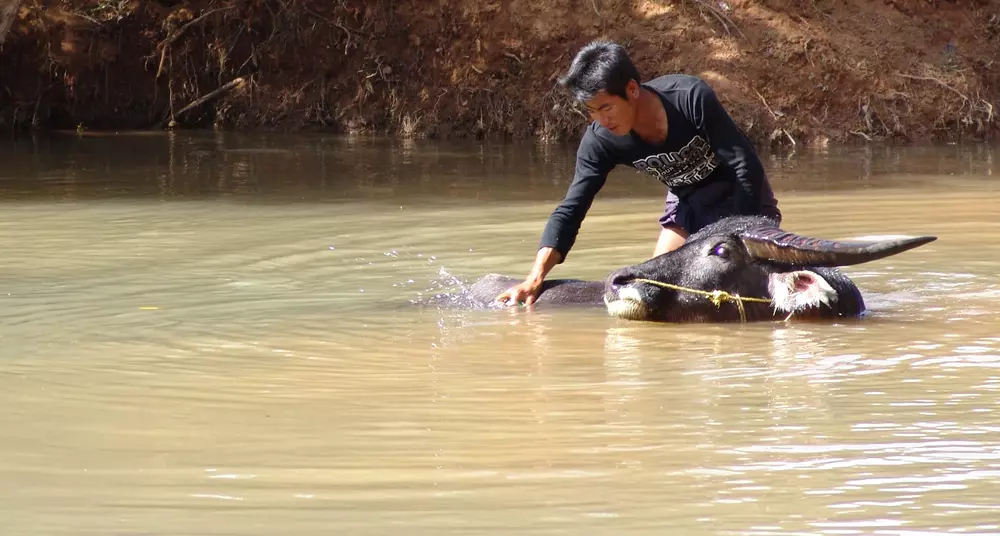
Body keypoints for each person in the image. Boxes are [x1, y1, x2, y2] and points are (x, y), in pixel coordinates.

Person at [495, 40, 781, 306]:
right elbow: (571, 209)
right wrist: (535, 277)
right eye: (591, 111)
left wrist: (738, 238)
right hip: (687, 200)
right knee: (660, 294)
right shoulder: (600, 141)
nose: (601, 120)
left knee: (750, 290)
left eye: (606, 107)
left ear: (631, 89)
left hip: (741, 194)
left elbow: (745, 165)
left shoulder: (690, 98)